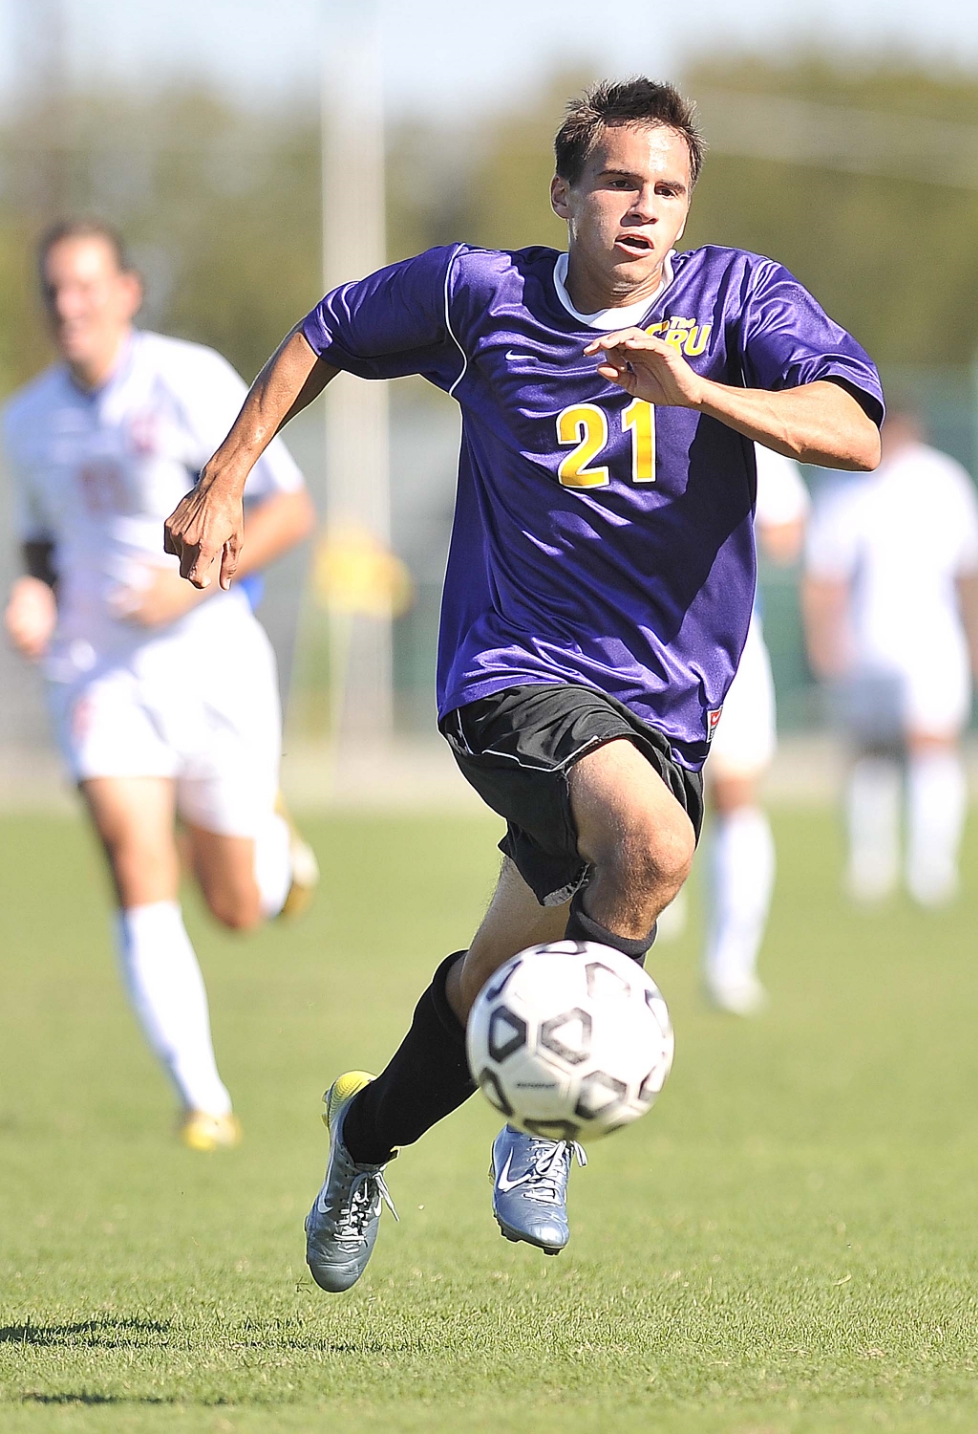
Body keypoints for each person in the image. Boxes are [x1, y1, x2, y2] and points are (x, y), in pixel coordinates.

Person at [164, 77, 882, 1282]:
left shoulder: (738, 300)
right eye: (617, 183)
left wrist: (695, 389)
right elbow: (332, 323)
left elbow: (851, 429)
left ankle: (361, 1141)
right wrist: (228, 473)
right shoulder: (479, 296)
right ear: (565, 193)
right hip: (512, 677)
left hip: (664, 709)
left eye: (666, 190)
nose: (642, 210)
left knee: (493, 987)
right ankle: (544, 1134)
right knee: (652, 851)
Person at [3, 220, 318, 1151]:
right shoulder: (25, 422)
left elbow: (290, 509)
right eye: (56, 290)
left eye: (88, 286)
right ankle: (203, 1097)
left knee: (234, 908)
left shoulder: (189, 380)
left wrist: (189, 592)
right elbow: (38, 556)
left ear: (128, 292)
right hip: (96, 675)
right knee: (135, 864)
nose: (71, 306)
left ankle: (272, 855)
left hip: (211, 662)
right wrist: (30, 598)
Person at [802, 401, 978, 907]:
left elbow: (970, 569)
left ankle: (931, 867)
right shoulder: (847, 484)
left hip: (933, 640)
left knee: (931, 746)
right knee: (870, 751)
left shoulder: (943, 481)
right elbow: (825, 576)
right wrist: (825, 638)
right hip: (866, 640)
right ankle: (871, 866)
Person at [699, 444, 808, 1015]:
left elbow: (787, 534)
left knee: (736, 795)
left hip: (729, 640)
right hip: (624, 644)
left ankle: (730, 963)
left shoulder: (741, 418)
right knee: (617, 796)